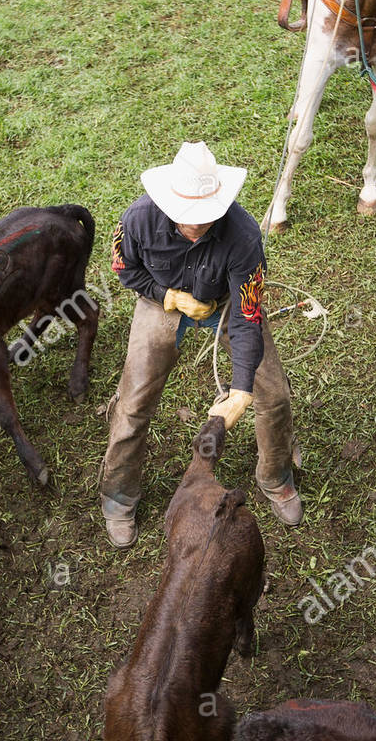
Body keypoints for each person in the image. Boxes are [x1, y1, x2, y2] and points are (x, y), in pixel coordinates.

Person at [99, 141, 302, 548]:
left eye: (206, 217)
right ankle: (118, 494)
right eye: (188, 218)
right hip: (162, 300)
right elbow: (124, 268)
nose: (197, 225)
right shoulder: (137, 220)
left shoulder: (244, 235)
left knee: (274, 395)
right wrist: (167, 296)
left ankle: (276, 474)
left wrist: (241, 388)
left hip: (225, 303)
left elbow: (248, 313)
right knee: (133, 401)